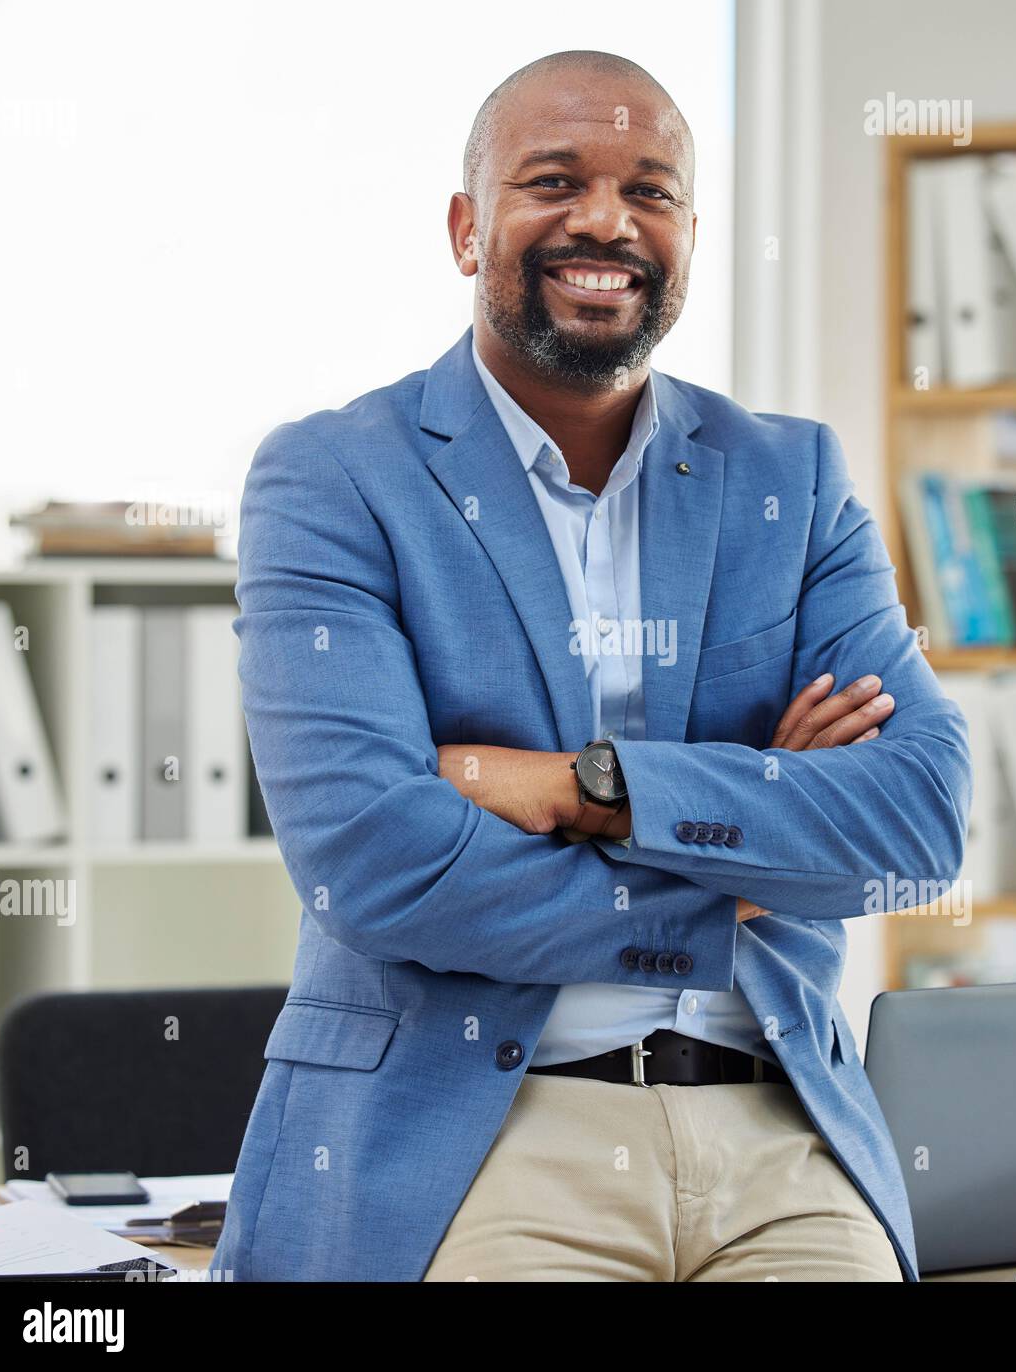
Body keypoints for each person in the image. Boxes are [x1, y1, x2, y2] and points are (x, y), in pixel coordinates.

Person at [211, 48, 971, 1283]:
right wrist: (738, 881)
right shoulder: (334, 476)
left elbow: (917, 824)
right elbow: (372, 859)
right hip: (481, 1128)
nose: (605, 221)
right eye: (553, 180)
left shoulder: (793, 479)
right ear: (468, 229)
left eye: (652, 192)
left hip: (777, 1132)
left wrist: (583, 787)